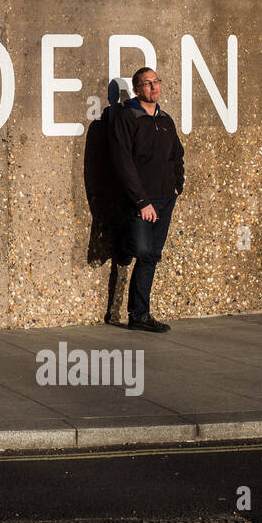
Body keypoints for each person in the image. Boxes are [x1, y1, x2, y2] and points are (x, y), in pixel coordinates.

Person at [108, 67, 184, 332]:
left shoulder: (165, 121)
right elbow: (123, 163)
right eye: (147, 83)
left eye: (156, 82)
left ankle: (139, 315)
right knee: (140, 250)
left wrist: (177, 186)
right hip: (140, 202)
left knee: (151, 255)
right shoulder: (127, 118)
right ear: (137, 89)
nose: (154, 87)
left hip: (165, 200)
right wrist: (142, 202)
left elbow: (177, 157)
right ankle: (122, 240)